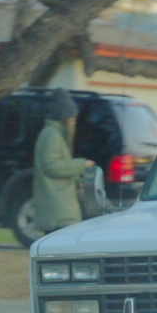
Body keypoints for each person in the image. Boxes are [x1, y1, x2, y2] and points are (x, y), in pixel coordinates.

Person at [32, 91, 93, 233]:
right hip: (57, 210)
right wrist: (81, 165)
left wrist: (78, 182)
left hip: (60, 209)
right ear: (64, 118)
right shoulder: (51, 135)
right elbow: (51, 166)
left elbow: (60, 166)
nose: (74, 122)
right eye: (72, 119)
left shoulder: (54, 134)